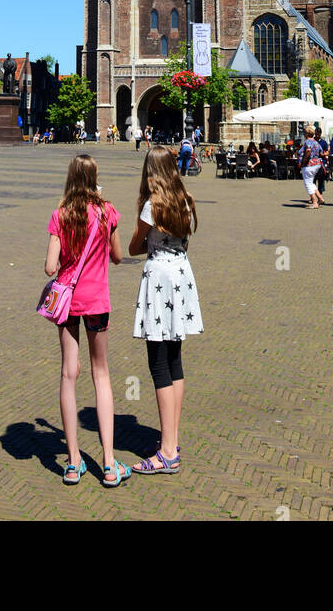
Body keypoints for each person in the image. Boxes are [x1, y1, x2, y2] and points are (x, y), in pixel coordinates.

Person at [44, 154, 130, 488]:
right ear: (95, 178)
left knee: (69, 372)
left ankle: (73, 462)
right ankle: (109, 464)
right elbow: (118, 257)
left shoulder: (61, 214)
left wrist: (66, 254)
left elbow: (51, 267)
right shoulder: (108, 212)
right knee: (101, 373)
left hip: (67, 304)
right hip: (97, 301)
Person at [128, 146, 203, 474]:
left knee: (158, 364)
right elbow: (185, 241)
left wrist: (148, 243)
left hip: (159, 279)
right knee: (175, 360)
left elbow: (133, 247)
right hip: (183, 276)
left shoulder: (150, 205)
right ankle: (171, 436)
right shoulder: (185, 200)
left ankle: (167, 452)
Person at [298, 126, 325, 208]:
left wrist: (304, 161)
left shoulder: (308, 142)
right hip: (317, 164)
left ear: (306, 134)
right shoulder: (316, 142)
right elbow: (321, 152)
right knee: (311, 182)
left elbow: (308, 150)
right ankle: (320, 198)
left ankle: (314, 202)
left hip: (309, 165)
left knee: (308, 183)